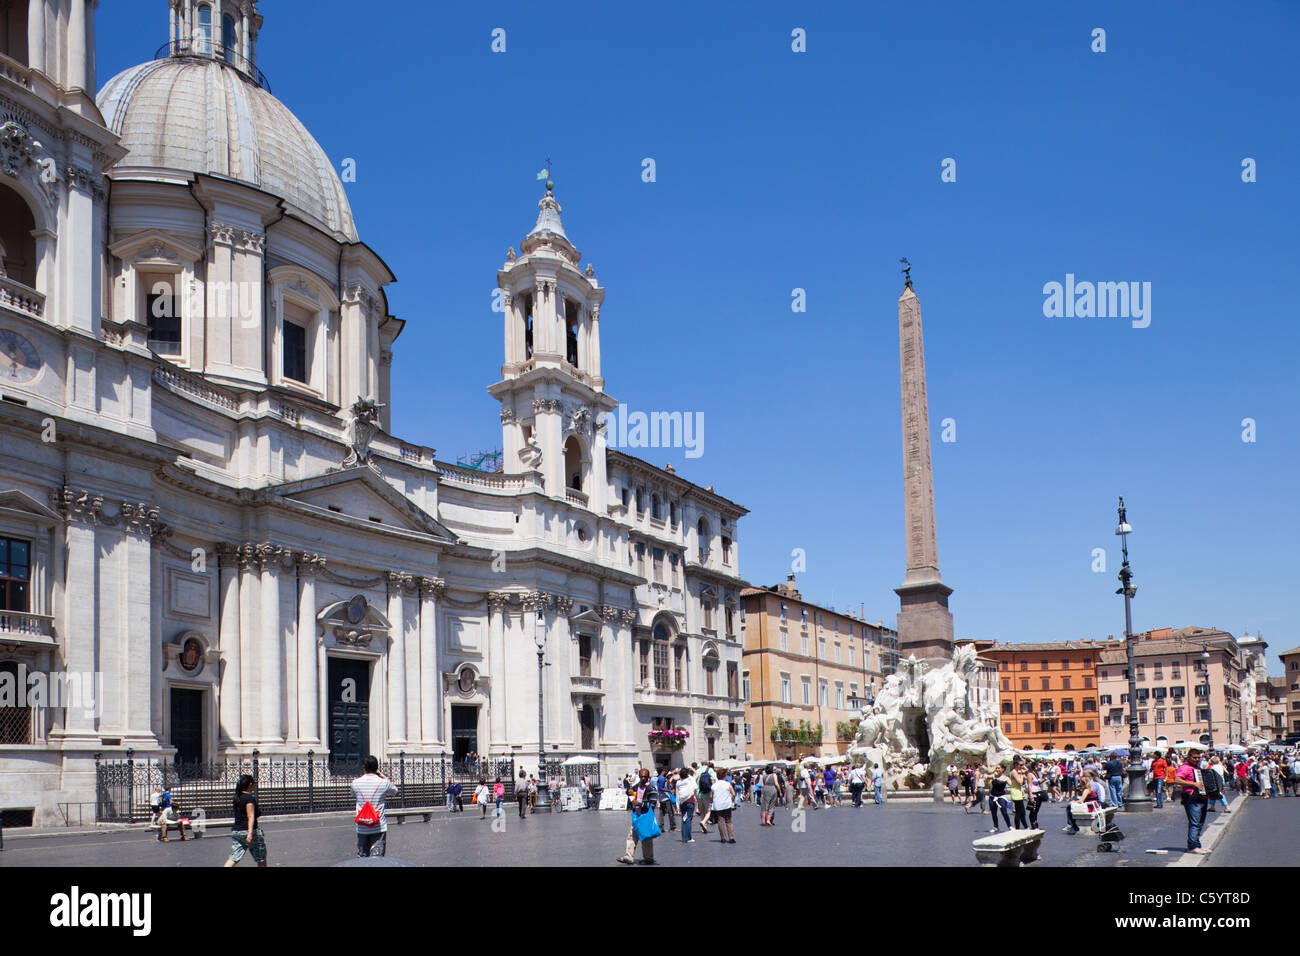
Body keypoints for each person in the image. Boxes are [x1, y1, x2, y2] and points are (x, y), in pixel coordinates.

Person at [353, 756, 399, 857]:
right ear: (376, 768)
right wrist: (383, 776)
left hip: (362, 826)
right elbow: (395, 791)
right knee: (377, 859)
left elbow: (354, 794)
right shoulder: (384, 783)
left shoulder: (355, 783)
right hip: (378, 826)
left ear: (364, 767)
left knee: (362, 858)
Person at [616, 768, 659, 865]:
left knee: (646, 838)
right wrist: (628, 792)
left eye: (645, 776)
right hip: (636, 816)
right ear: (639, 777)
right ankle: (629, 856)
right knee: (632, 836)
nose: (643, 778)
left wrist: (639, 804)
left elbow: (652, 805)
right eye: (641, 776)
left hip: (645, 817)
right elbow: (629, 791)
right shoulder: (637, 786)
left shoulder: (651, 789)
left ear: (648, 777)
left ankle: (648, 858)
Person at [224, 774, 267, 867]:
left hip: (237, 831)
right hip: (249, 831)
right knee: (261, 858)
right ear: (250, 784)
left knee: (233, 857)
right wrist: (250, 833)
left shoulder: (237, 798)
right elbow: (250, 816)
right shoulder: (249, 799)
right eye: (254, 784)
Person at [1175, 749, 1208, 852]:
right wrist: (1193, 784)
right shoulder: (1185, 768)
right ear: (1189, 757)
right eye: (1194, 757)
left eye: (1198, 757)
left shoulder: (1197, 768)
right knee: (1194, 822)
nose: (1197, 759)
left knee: (1200, 822)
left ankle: (1197, 845)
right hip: (1191, 797)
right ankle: (1192, 846)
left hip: (1201, 797)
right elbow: (1177, 780)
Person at [710, 765, 737, 843]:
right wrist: (732, 800)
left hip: (717, 806)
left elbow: (711, 796)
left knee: (720, 822)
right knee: (729, 821)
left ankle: (723, 838)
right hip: (727, 805)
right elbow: (733, 794)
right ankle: (731, 837)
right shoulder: (727, 784)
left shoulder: (714, 786)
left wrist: (714, 800)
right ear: (724, 776)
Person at [988, 767, 1012, 833]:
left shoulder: (1006, 778)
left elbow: (1011, 784)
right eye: (996, 768)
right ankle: (995, 826)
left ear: (1003, 769)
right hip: (992, 796)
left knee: (1004, 811)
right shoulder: (993, 776)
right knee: (993, 812)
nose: (997, 770)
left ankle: (1009, 826)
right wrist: (986, 775)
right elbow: (986, 776)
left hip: (1001, 796)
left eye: (999, 768)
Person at [676, 766, 697, 843]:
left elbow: (677, 794)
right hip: (690, 801)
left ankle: (684, 837)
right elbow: (696, 775)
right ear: (687, 774)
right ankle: (688, 837)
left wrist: (677, 806)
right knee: (688, 820)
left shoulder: (678, 782)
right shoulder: (690, 780)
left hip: (682, 802)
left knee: (684, 819)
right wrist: (691, 768)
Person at [696, 764, 714, 833]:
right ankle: (703, 822)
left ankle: (703, 827)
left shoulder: (697, 770)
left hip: (698, 793)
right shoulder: (710, 770)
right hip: (707, 793)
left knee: (702, 811)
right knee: (708, 811)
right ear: (707, 764)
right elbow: (713, 782)